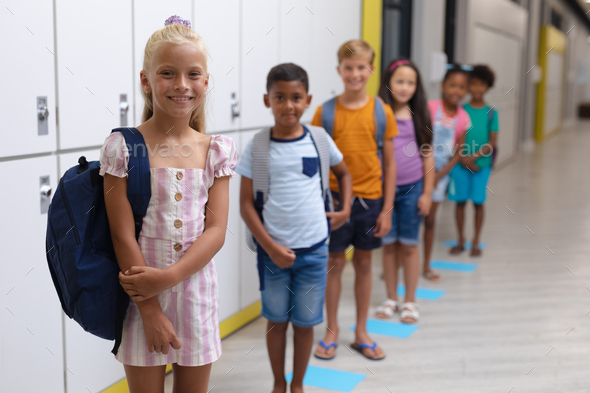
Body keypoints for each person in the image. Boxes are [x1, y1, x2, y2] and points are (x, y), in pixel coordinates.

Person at [100, 16, 237, 393]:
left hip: (197, 298)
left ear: (206, 82)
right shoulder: (123, 147)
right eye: (167, 73)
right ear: (146, 80)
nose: (181, 85)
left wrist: (170, 277)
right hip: (139, 303)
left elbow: (216, 231)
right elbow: (121, 233)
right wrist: (149, 308)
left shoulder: (216, 151)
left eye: (193, 74)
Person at [237, 63, 352, 393]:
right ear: (267, 100)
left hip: (315, 251)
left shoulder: (318, 138)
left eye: (296, 97)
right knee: (277, 322)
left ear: (308, 100)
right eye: (280, 97)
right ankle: (278, 383)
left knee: (305, 324)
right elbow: (246, 204)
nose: (288, 105)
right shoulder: (258, 146)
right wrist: (271, 247)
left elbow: (344, 173)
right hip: (273, 254)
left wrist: (344, 209)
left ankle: (298, 385)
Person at [311, 40, 398, 361]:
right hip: (333, 201)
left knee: (363, 263)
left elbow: (390, 164)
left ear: (371, 70)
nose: (355, 73)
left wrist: (387, 209)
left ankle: (361, 331)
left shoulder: (381, 110)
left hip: (371, 200)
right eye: (349, 68)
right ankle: (331, 331)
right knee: (334, 265)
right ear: (339, 71)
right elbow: (316, 163)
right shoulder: (325, 112)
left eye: (362, 67)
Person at [374, 58, 435, 323]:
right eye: (400, 81)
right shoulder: (379, 113)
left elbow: (428, 154)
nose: (405, 87)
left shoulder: (419, 115)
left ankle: (410, 301)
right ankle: (391, 298)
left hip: (413, 189)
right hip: (382, 191)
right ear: (388, 82)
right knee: (388, 246)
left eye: (411, 82)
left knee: (409, 246)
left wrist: (427, 193)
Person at [423, 65, 472, 281]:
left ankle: (425, 265)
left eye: (462, 87)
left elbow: (457, 154)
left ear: (466, 91)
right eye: (452, 85)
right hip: (419, 170)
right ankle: (397, 265)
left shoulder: (463, 119)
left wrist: (437, 176)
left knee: (430, 220)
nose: (456, 91)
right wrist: (426, 173)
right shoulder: (430, 108)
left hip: (440, 176)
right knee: (409, 220)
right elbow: (420, 140)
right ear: (443, 86)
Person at [448, 65, 498, 257]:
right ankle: (461, 240)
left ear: (488, 86)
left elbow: (492, 142)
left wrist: (472, 158)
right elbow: (454, 137)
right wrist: (463, 159)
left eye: (482, 85)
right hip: (459, 165)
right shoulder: (460, 111)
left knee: (478, 203)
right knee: (459, 203)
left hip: (481, 166)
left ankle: (475, 241)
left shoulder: (492, 113)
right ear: (468, 87)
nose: (477, 88)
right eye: (474, 84)